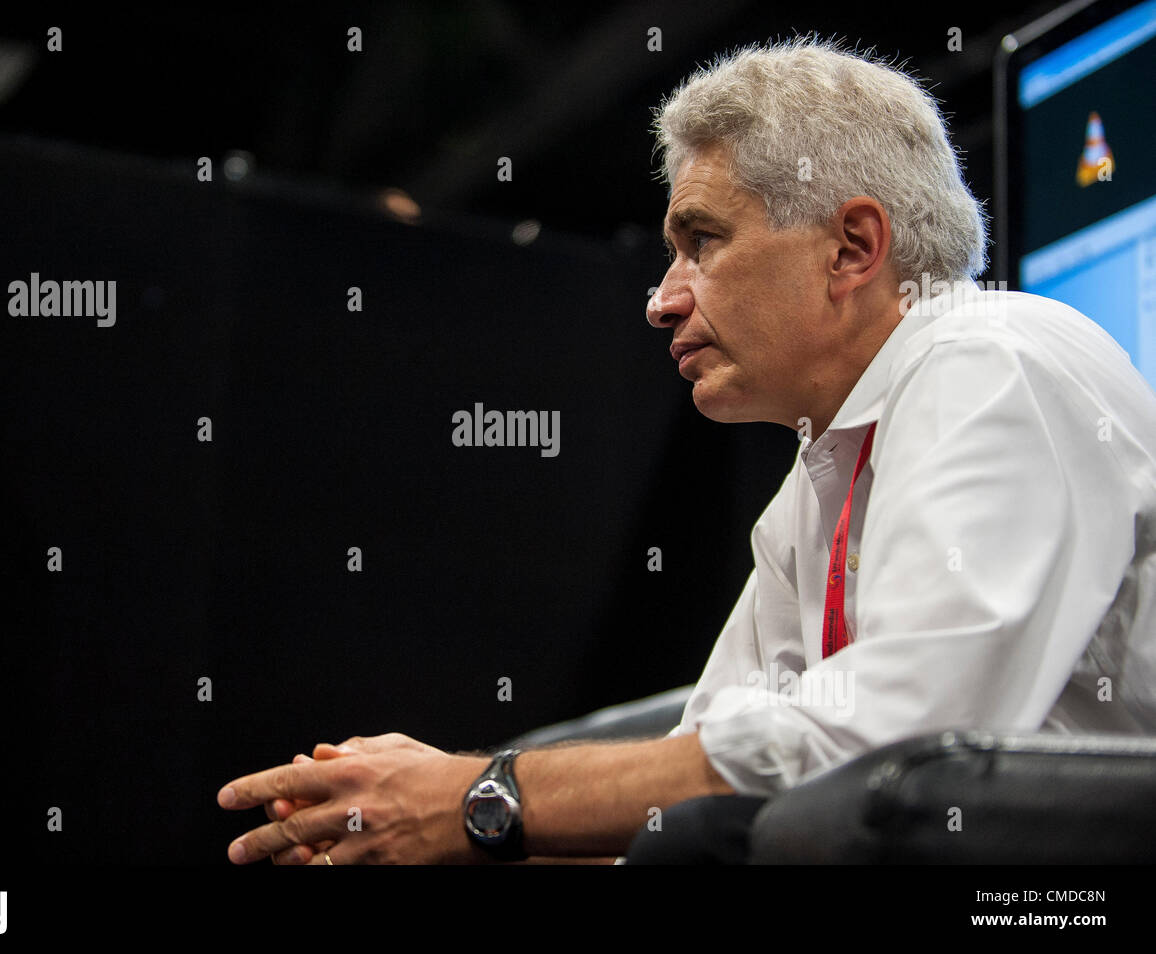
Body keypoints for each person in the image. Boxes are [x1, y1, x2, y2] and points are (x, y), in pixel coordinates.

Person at [216, 37, 1156, 864]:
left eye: (702, 241)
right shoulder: (819, 474)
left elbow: (888, 753)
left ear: (853, 247)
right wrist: (412, 820)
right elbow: (700, 790)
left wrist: (474, 800)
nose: (663, 297)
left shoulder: (990, 362)